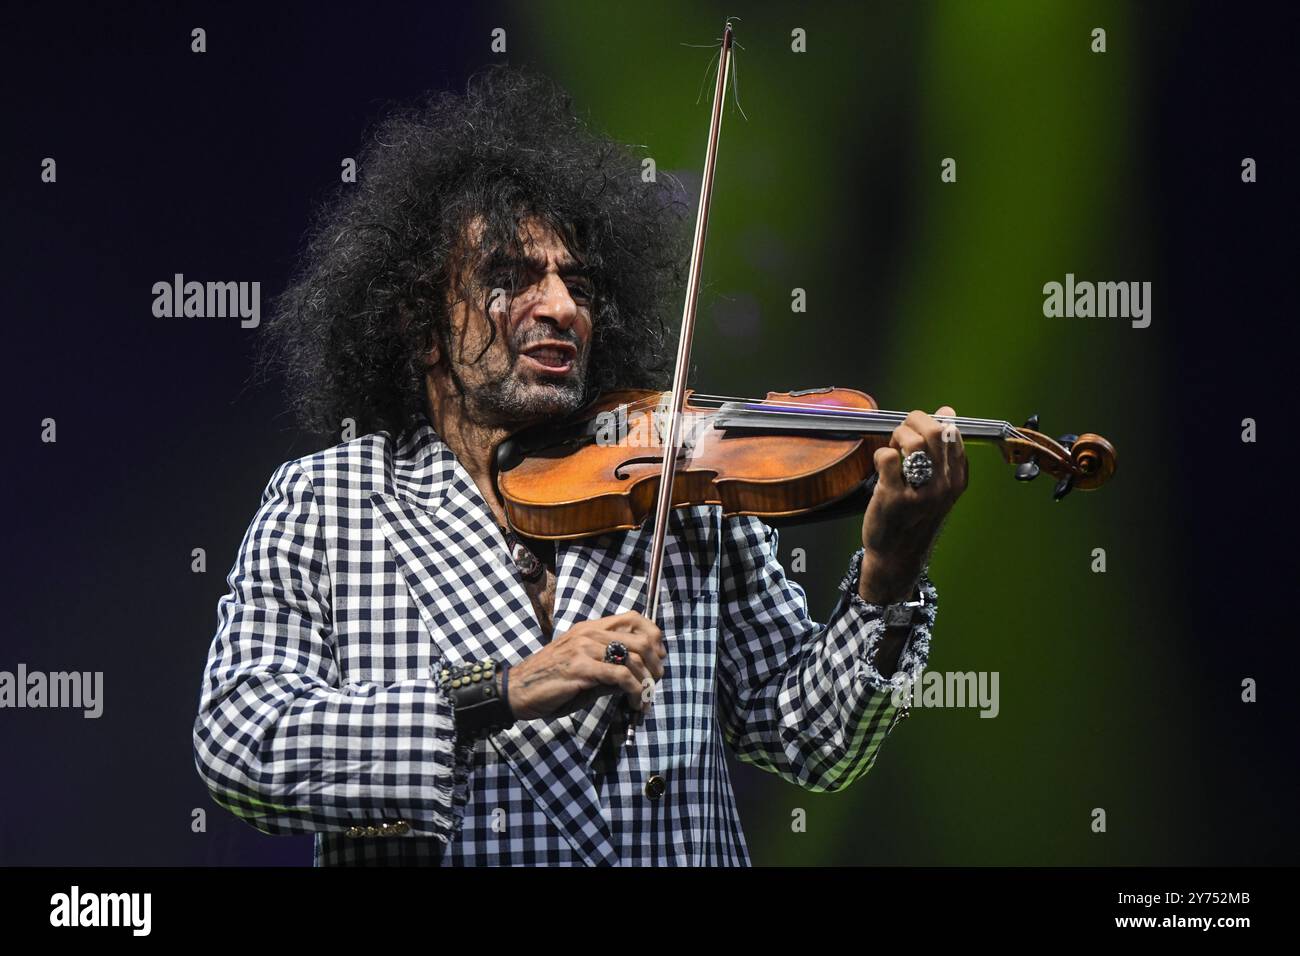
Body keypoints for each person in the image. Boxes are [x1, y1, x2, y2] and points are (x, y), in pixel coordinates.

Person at [192, 66, 966, 866]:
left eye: (578, 284)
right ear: (423, 328)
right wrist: (501, 692)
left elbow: (814, 743)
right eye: (508, 278)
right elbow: (242, 744)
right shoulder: (330, 500)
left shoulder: (680, 493)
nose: (561, 306)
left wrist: (889, 570)